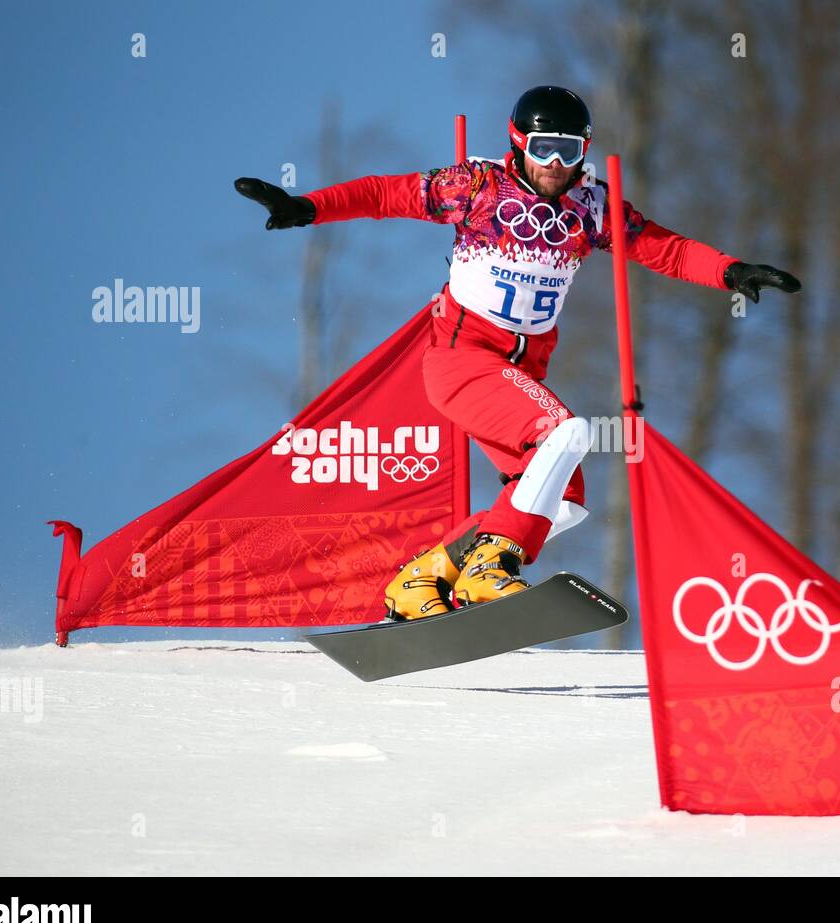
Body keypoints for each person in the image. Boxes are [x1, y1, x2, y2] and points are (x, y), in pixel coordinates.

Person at [236, 85, 800, 621]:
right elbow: (386, 194)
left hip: (520, 373)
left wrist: (728, 270)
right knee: (567, 433)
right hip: (463, 359)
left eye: (571, 150)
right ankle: (490, 566)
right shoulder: (477, 187)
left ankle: (426, 575)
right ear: (519, 143)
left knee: (563, 501)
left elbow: (661, 248)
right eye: (545, 149)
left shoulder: (592, 206)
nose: (557, 164)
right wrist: (308, 207)